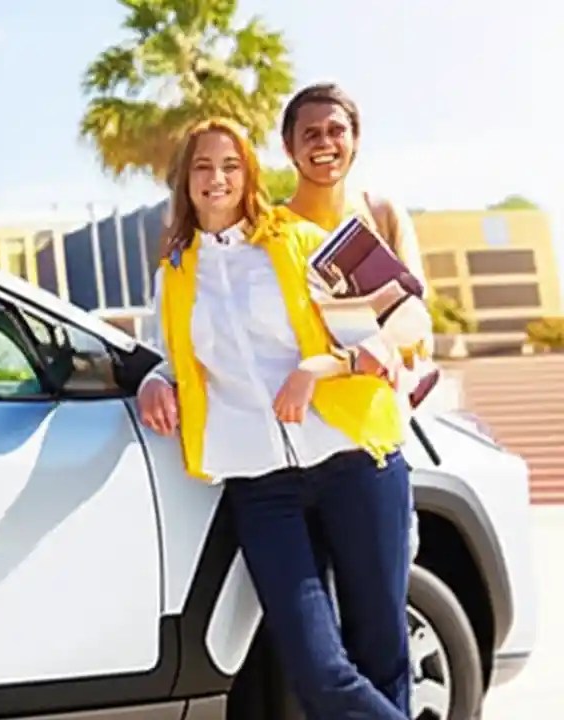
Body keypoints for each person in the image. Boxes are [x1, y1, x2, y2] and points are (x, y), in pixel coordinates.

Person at [137, 117, 415, 719]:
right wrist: (152, 382)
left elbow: (393, 330)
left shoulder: (303, 239)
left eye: (230, 166)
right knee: (316, 666)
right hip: (261, 484)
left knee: (381, 649)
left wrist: (319, 367)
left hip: (351, 459)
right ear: (184, 181)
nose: (217, 179)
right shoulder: (175, 275)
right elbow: (174, 358)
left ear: (250, 175)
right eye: (203, 167)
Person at [280, 81, 432, 560]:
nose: (324, 143)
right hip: (297, 442)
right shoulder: (273, 229)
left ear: (356, 140)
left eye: (336, 130)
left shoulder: (381, 213)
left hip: (374, 437)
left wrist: (385, 347)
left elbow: (416, 320)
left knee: (383, 605)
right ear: (289, 147)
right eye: (310, 134)